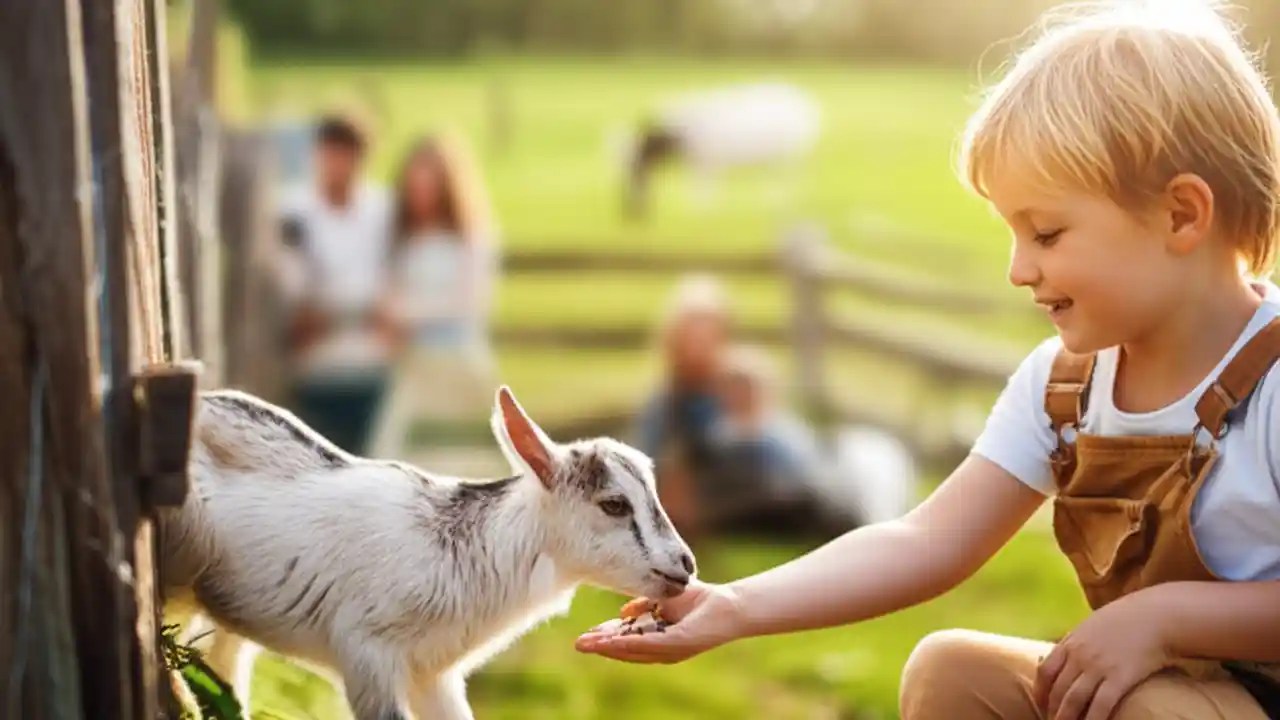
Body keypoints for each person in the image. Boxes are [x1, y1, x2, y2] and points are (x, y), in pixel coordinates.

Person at [578, 4, 1280, 719]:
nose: (1018, 269)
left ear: (1182, 215)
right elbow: (923, 540)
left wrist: (1163, 618)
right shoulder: (1064, 388)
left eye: (1047, 233)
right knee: (951, 672)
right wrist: (732, 605)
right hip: (1164, 693)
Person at [367, 134, 500, 459]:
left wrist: (406, 314)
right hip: (413, 365)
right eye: (415, 185)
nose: (421, 194)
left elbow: (470, 302)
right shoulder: (403, 239)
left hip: (458, 360)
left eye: (430, 184)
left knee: (465, 460)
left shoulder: (471, 237)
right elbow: (388, 293)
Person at [277, 113, 394, 455]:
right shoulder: (294, 211)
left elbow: (387, 280)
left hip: (370, 363)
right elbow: (291, 287)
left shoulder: (381, 211)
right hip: (315, 366)